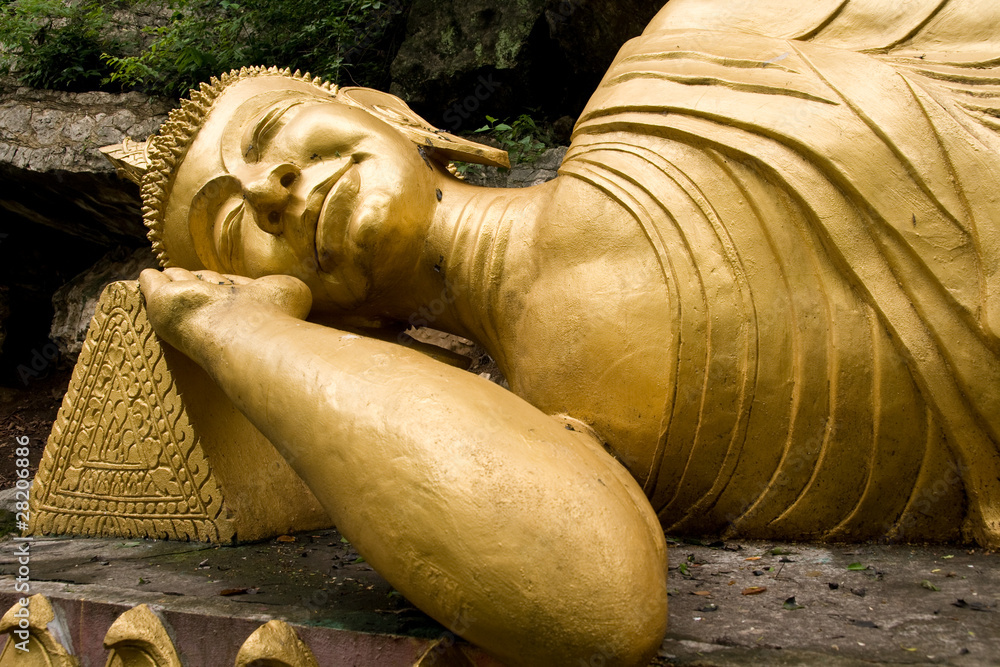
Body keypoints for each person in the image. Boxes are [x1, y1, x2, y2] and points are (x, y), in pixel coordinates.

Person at [121, 0, 1000, 663]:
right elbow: (594, 601)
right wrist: (240, 334)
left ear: (388, 111)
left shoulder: (692, 46)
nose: (272, 185)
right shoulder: (561, 439)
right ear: (318, 313)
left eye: (269, 133)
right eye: (236, 225)